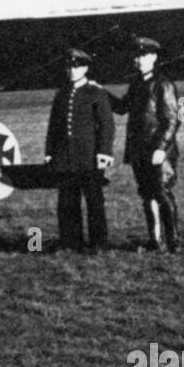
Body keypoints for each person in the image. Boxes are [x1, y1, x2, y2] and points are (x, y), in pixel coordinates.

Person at [110, 37, 181, 252]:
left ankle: (173, 242)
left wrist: (161, 148)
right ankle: (155, 240)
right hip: (140, 151)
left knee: (162, 193)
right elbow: (123, 107)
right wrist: (101, 93)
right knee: (147, 195)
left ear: (154, 57)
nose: (139, 60)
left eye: (144, 56)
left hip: (159, 152)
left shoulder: (163, 84)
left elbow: (172, 120)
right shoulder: (137, 84)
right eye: (137, 56)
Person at [44, 48, 115, 252]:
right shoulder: (62, 94)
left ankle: (98, 243)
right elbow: (54, 126)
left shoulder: (96, 92)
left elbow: (107, 125)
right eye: (69, 67)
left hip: (89, 157)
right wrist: (49, 152)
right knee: (67, 202)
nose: (72, 71)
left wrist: (105, 152)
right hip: (64, 157)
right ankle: (70, 242)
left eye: (77, 66)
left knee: (94, 202)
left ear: (85, 68)